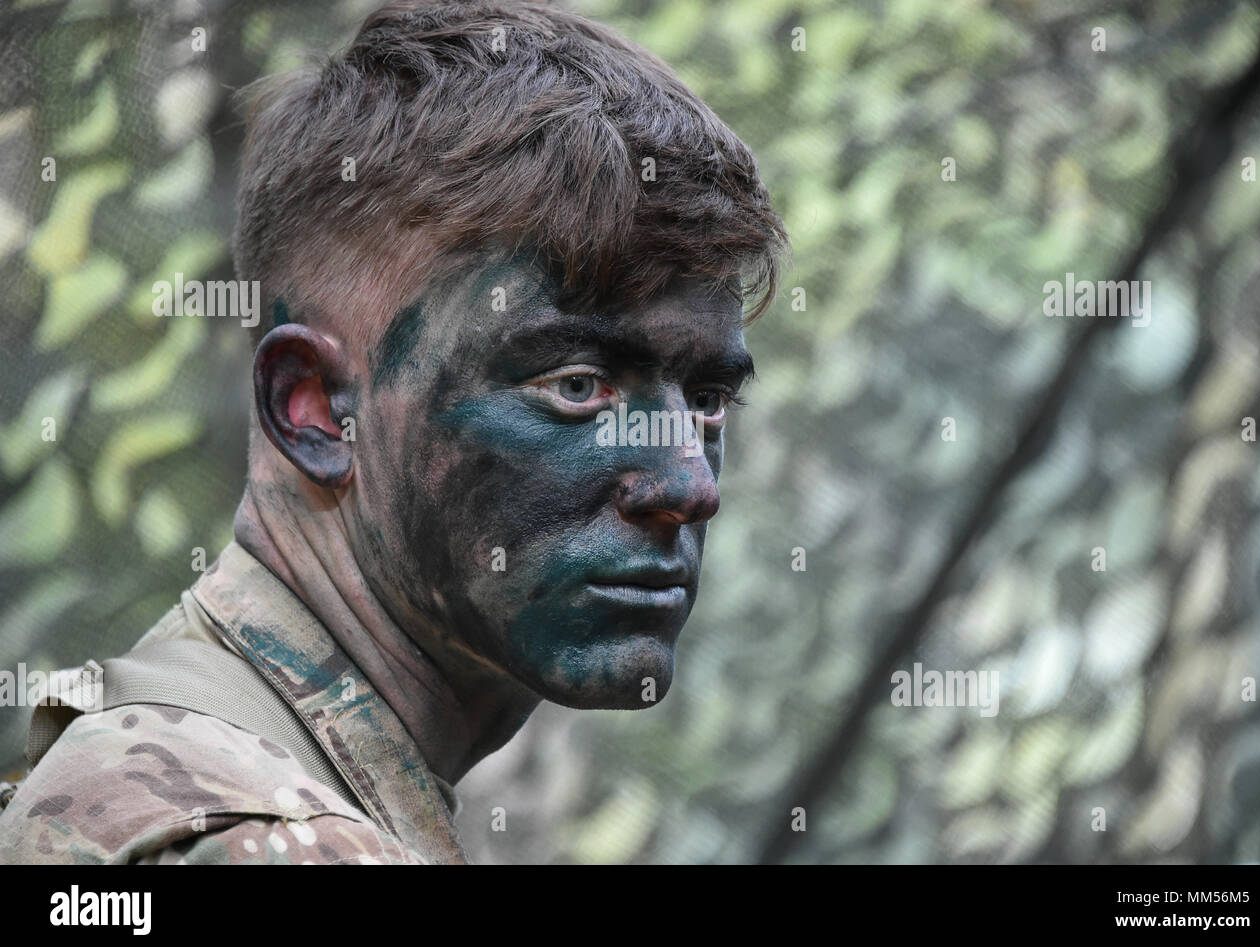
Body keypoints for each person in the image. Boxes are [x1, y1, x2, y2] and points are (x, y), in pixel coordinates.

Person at [0, 0, 786, 864]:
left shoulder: (161, 739)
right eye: (577, 386)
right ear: (314, 409)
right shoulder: (280, 840)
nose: (690, 485)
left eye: (709, 397)